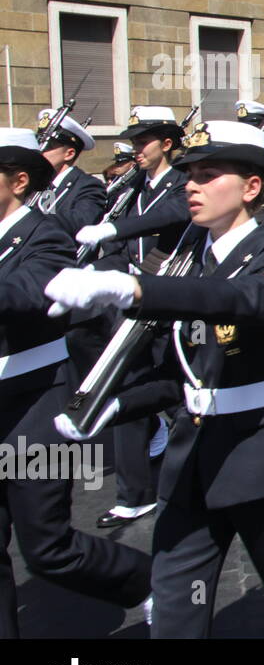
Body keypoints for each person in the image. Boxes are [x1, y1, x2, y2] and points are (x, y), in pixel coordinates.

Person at [46, 120, 264, 638]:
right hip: (191, 455)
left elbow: (249, 301)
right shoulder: (185, 263)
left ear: (251, 187)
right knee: (175, 596)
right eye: (189, 175)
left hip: (263, 454)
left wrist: (136, 290)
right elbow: (183, 374)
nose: (191, 186)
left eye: (208, 174)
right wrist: (117, 406)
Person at [0, 129, 152, 638]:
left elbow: (28, 292)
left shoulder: (46, 234)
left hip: (34, 405)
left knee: (48, 548)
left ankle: (154, 582)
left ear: (19, 181)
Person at [76, 106, 191, 530]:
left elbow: (174, 216)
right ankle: (134, 495)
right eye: (135, 142)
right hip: (133, 306)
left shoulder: (184, 182)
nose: (137, 150)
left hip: (174, 300)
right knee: (128, 389)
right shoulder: (131, 188)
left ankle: (198, 479)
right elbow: (122, 249)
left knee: (181, 395)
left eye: (144, 142)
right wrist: (99, 272)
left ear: (166, 143)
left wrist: (116, 234)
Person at [33, 109, 107, 236]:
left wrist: (28, 219)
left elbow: (80, 221)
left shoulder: (89, 186)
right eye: (40, 143)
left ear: (69, 154)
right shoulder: (37, 183)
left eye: (49, 146)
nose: (41, 151)